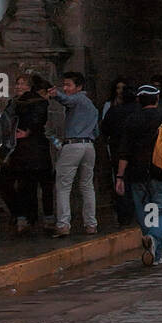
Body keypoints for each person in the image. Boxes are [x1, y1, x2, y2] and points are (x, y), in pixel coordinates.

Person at [115, 83, 162, 266]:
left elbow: (125, 150)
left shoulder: (132, 119)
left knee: (146, 211)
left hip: (137, 173)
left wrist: (119, 176)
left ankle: (155, 254)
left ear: (139, 100)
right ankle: (153, 238)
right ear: (157, 98)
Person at [0, 75, 54, 234]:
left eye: (22, 83)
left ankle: (24, 219)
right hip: (32, 148)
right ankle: (43, 219)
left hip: (26, 148)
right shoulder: (34, 102)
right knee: (40, 185)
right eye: (17, 83)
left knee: (26, 185)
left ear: (29, 86)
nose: (18, 86)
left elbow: (8, 122)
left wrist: (23, 132)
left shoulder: (20, 103)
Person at [48, 71, 99, 237]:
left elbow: (67, 99)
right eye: (64, 85)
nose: (65, 88)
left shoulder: (77, 98)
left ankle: (63, 224)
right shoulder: (92, 106)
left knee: (63, 186)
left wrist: (56, 94)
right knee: (86, 185)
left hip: (73, 144)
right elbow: (96, 131)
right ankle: (91, 224)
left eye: (68, 85)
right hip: (89, 145)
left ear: (79, 87)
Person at [100, 84, 138, 227]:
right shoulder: (139, 112)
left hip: (118, 152)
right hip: (138, 154)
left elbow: (104, 129)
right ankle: (139, 214)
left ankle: (124, 216)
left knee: (121, 183)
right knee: (139, 185)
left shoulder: (114, 111)